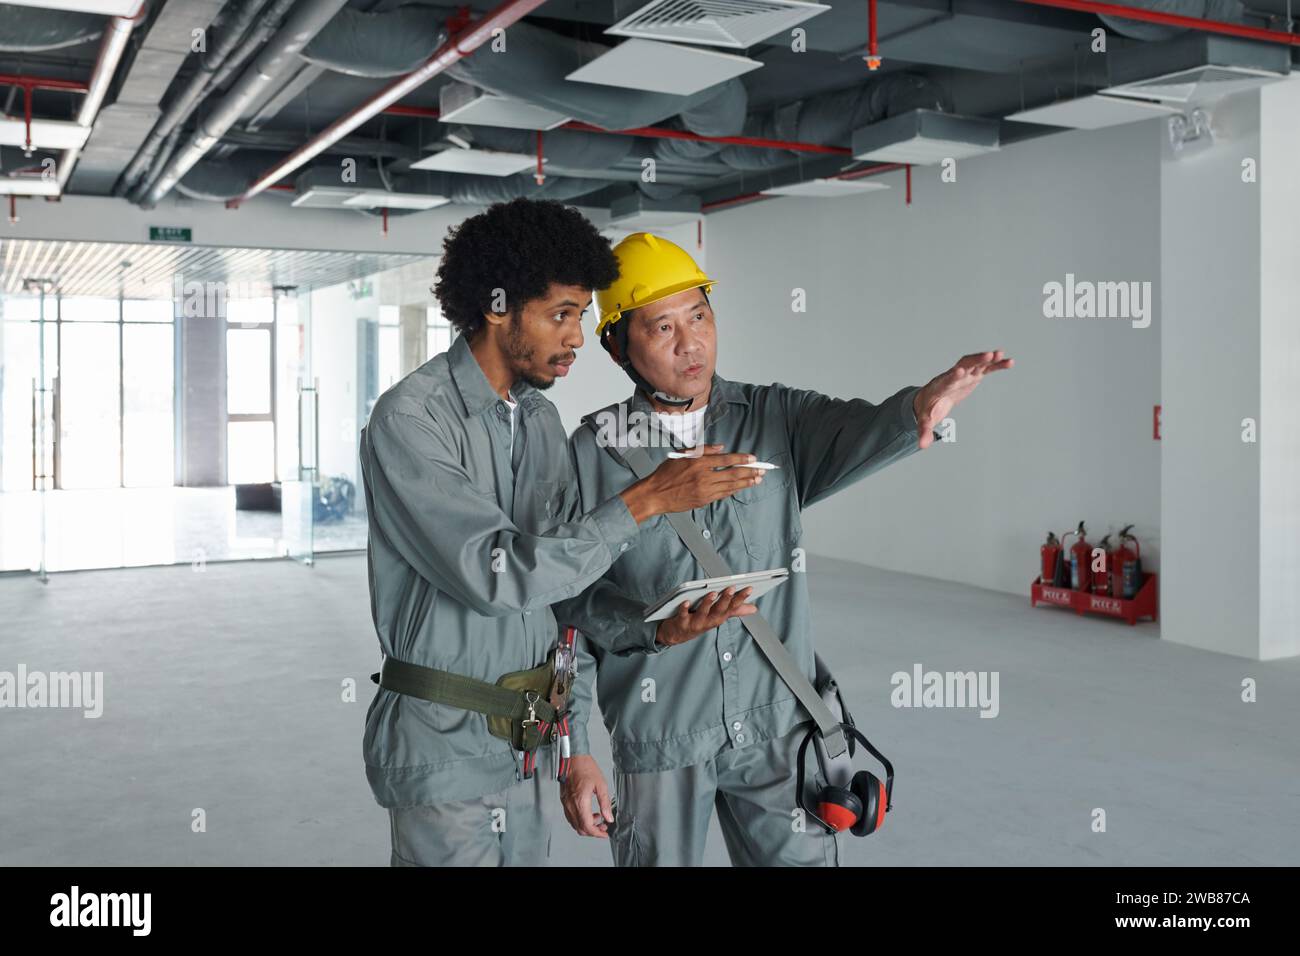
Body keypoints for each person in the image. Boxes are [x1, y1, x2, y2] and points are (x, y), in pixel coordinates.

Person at [555, 231, 1013, 866]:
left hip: (778, 727)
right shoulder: (587, 457)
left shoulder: (778, 418)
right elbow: (566, 608)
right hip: (662, 735)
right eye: (663, 328)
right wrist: (574, 746)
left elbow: (863, 429)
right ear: (618, 346)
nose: (692, 342)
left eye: (700, 316)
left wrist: (919, 407)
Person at [359, 202, 760, 867]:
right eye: (561, 314)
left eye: (580, 315)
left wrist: (648, 638)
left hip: (529, 745)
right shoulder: (410, 418)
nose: (578, 337)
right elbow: (499, 575)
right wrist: (646, 499)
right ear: (497, 307)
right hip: (444, 745)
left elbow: (563, 602)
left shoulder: (541, 421)